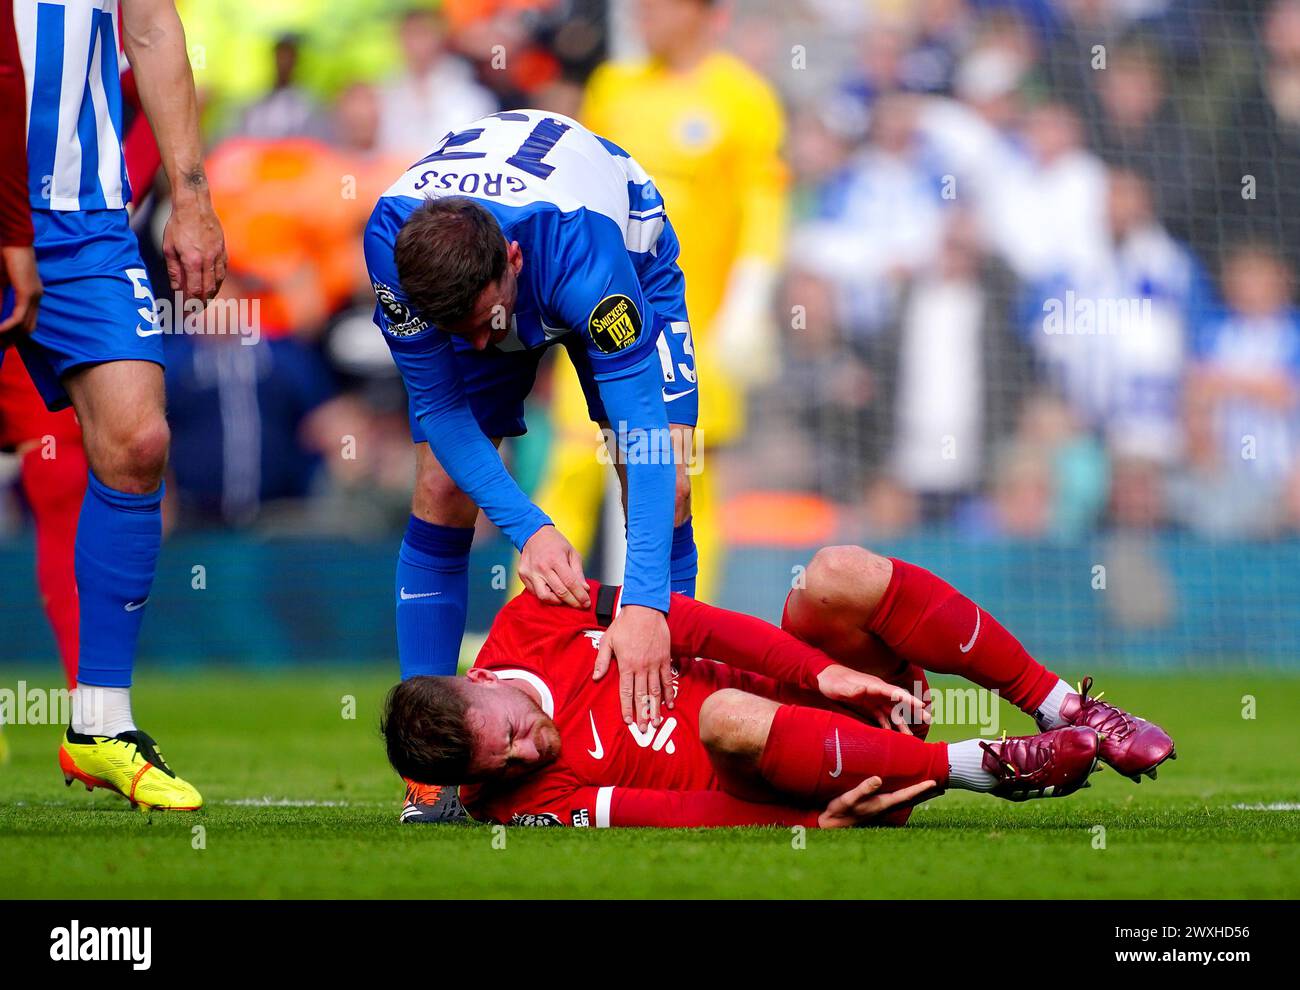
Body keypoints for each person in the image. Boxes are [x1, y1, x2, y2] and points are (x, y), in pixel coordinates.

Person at [364, 109, 700, 822]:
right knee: (441, 485)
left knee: (667, 485)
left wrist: (641, 601)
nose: (481, 347)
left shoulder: (590, 265)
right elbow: (443, 413)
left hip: (624, 244)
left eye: (488, 324)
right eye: (459, 333)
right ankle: (432, 770)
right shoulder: (394, 247)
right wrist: (532, 529)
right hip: (488, 259)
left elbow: (642, 435)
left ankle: (673, 711)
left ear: (512, 263)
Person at [383, 545, 1176, 828]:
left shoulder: (533, 616)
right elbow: (671, 812)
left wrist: (821, 671)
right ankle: (984, 766)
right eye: (506, 762)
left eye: (512, 731)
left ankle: (1065, 706)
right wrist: (808, 821)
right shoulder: (517, 804)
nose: (529, 751)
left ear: (481, 674)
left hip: (851, 707)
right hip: (815, 781)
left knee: (836, 573)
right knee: (725, 714)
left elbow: (687, 624)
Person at [3, 0, 226, 811]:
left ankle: (100, 723)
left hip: (85, 216)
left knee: (136, 439)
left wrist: (190, 193)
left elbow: (151, 28)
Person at [534, 0, 789, 600]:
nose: (641, 16)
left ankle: (682, 625)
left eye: (655, 5)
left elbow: (764, 204)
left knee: (684, 472)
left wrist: (749, 302)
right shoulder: (613, 86)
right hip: (602, 312)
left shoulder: (743, 96)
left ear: (702, 12)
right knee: (574, 462)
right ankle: (532, 631)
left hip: (692, 325)